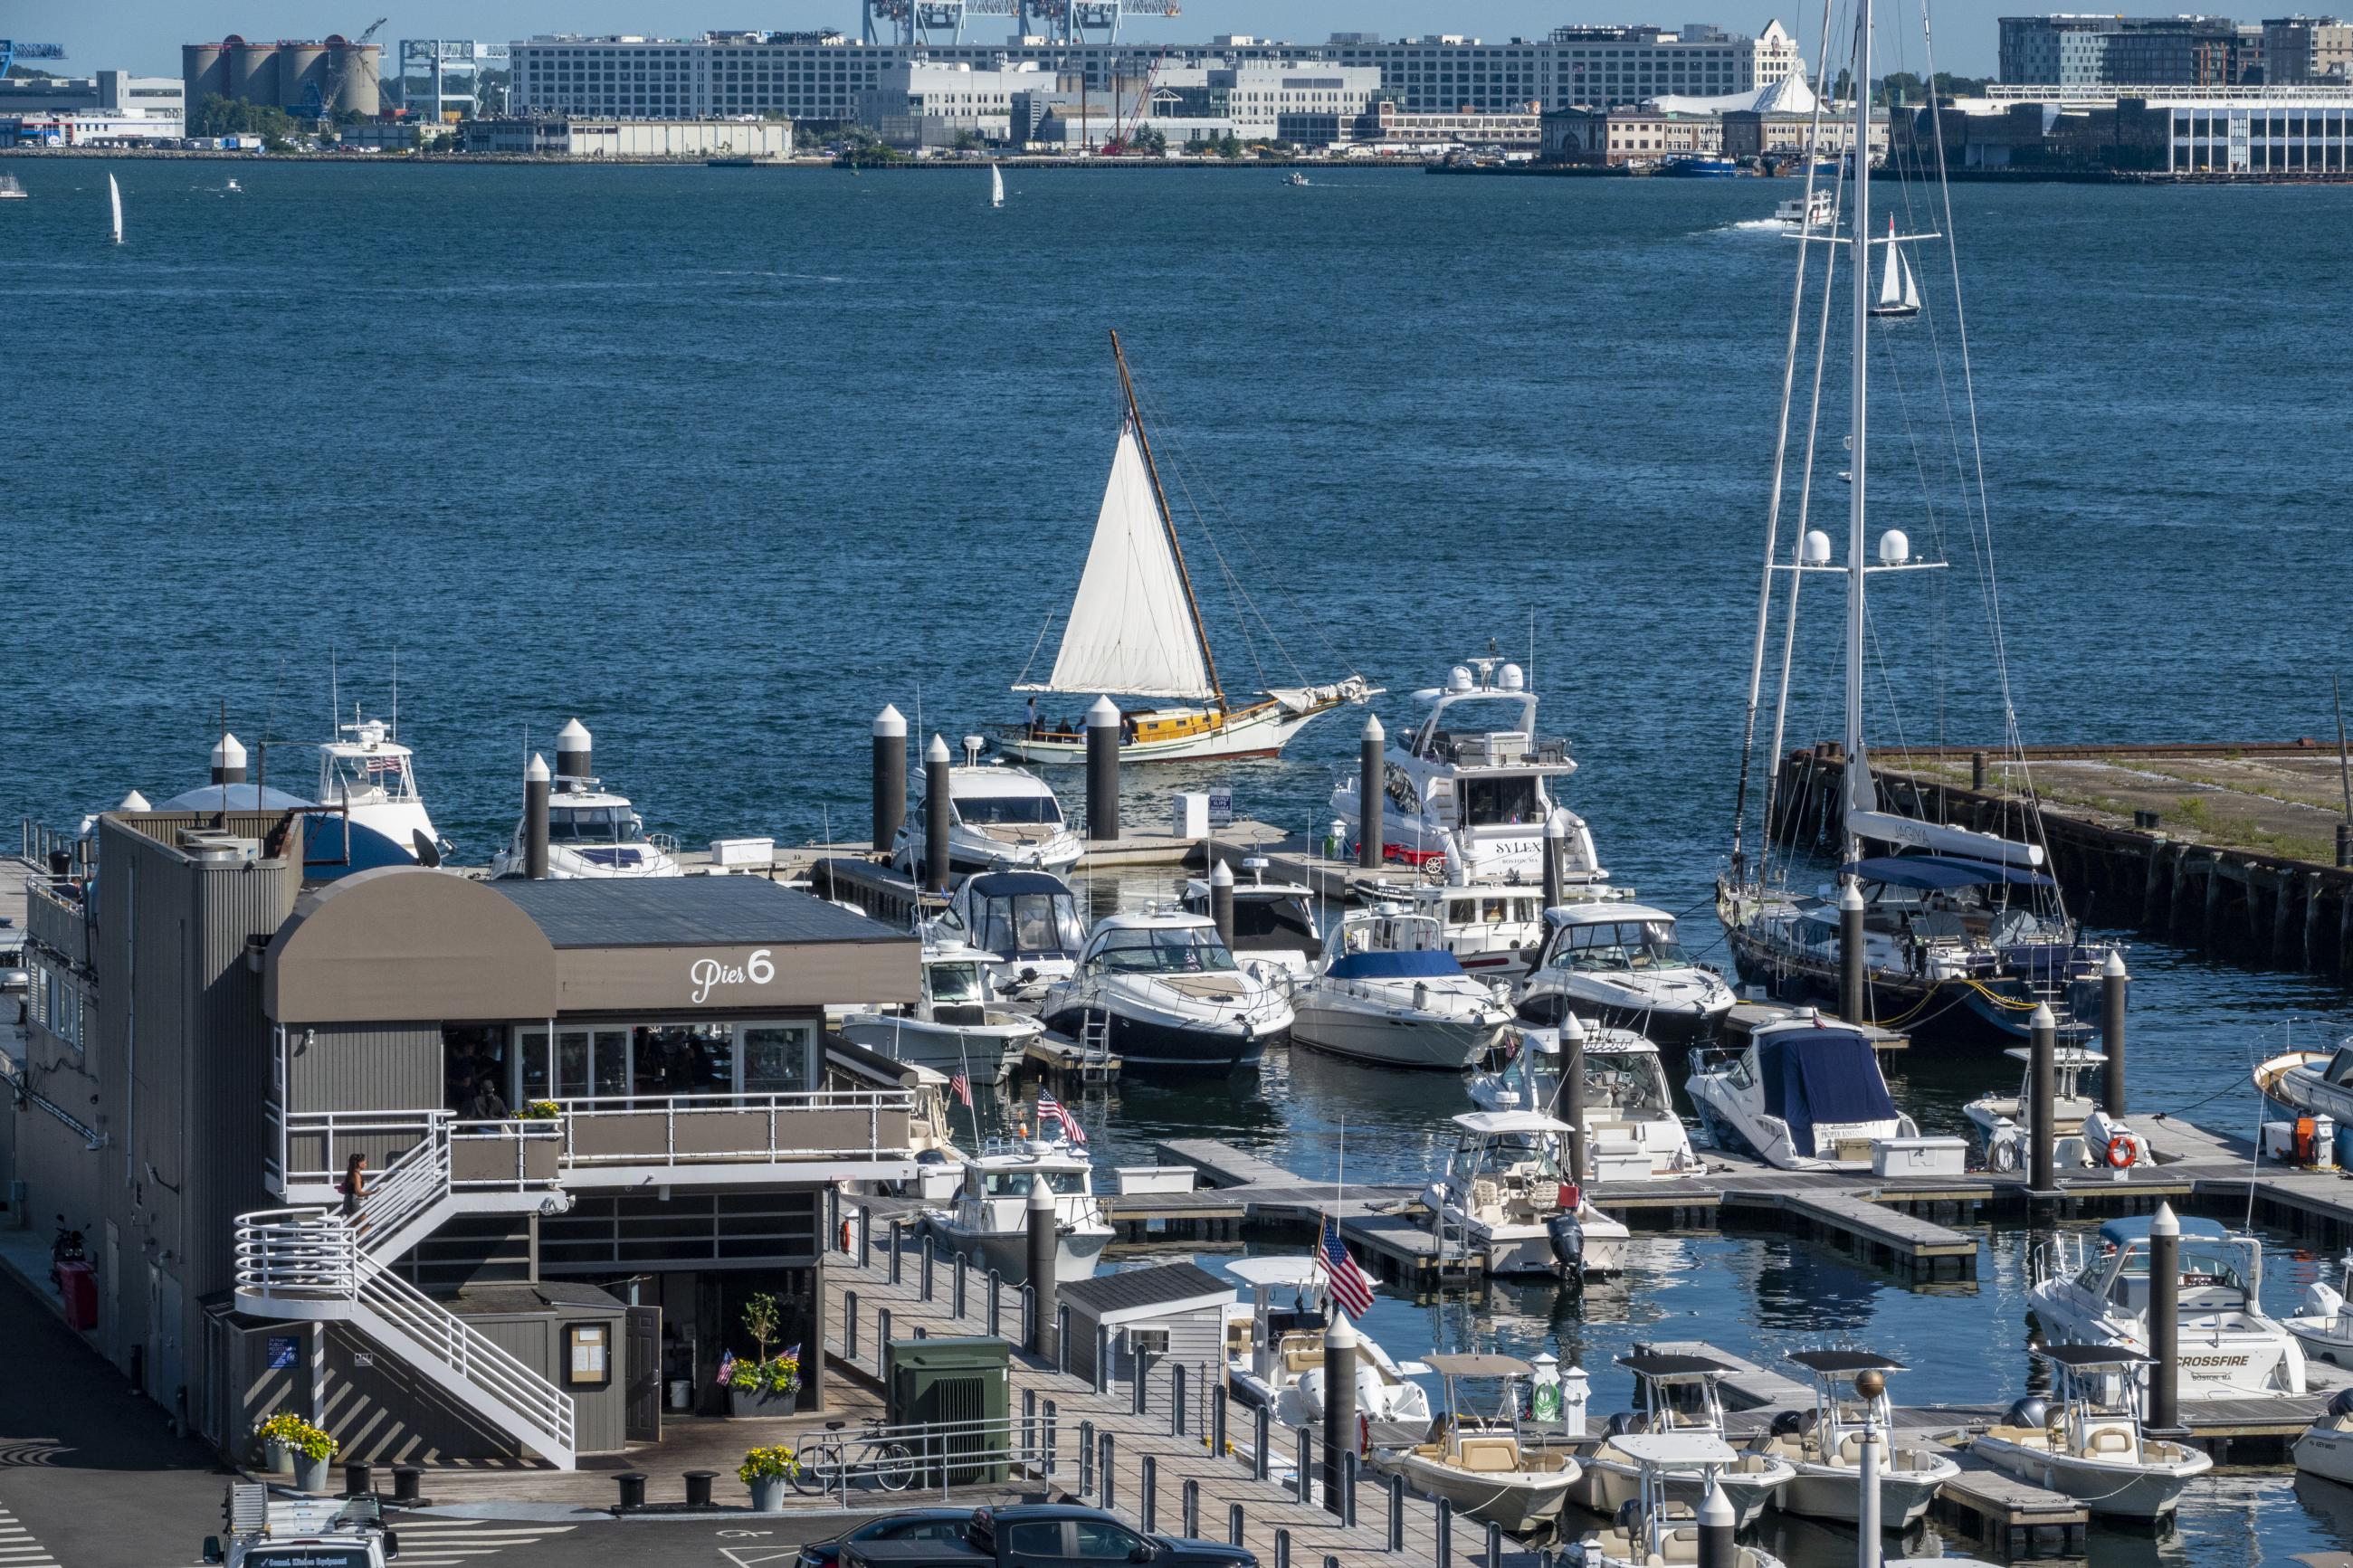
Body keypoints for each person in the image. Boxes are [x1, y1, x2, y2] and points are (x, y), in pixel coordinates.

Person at [338, 1154, 367, 1223]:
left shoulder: (350, 1173)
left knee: (354, 1228)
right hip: (352, 1201)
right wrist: (373, 1192)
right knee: (365, 1226)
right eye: (365, 1162)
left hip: (347, 1200)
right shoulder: (356, 1174)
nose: (366, 1164)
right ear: (359, 1164)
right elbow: (359, 1192)